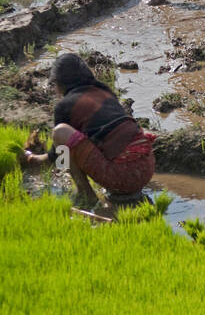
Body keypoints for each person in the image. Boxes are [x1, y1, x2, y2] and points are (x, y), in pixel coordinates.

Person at [17, 54, 155, 204]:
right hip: (147, 168)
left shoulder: (65, 106)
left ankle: (85, 194)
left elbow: (57, 158)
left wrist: (32, 159)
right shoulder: (105, 92)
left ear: (59, 83)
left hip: (120, 177)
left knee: (60, 133)